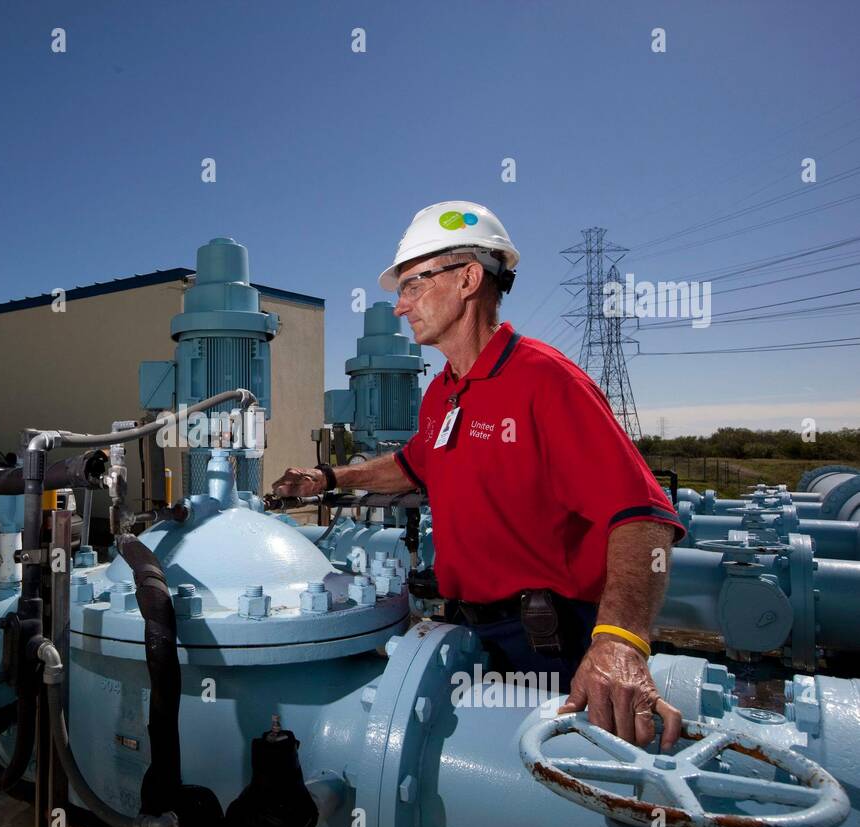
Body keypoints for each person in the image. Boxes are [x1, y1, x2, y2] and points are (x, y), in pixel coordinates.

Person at [272, 201, 685, 749]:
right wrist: (327, 478)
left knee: (560, 797)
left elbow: (643, 517)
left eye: (414, 285)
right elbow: (411, 465)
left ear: (468, 279)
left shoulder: (545, 380)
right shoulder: (443, 390)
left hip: (550, 641)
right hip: (470, 631)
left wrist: (619, 642)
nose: (400, 307)